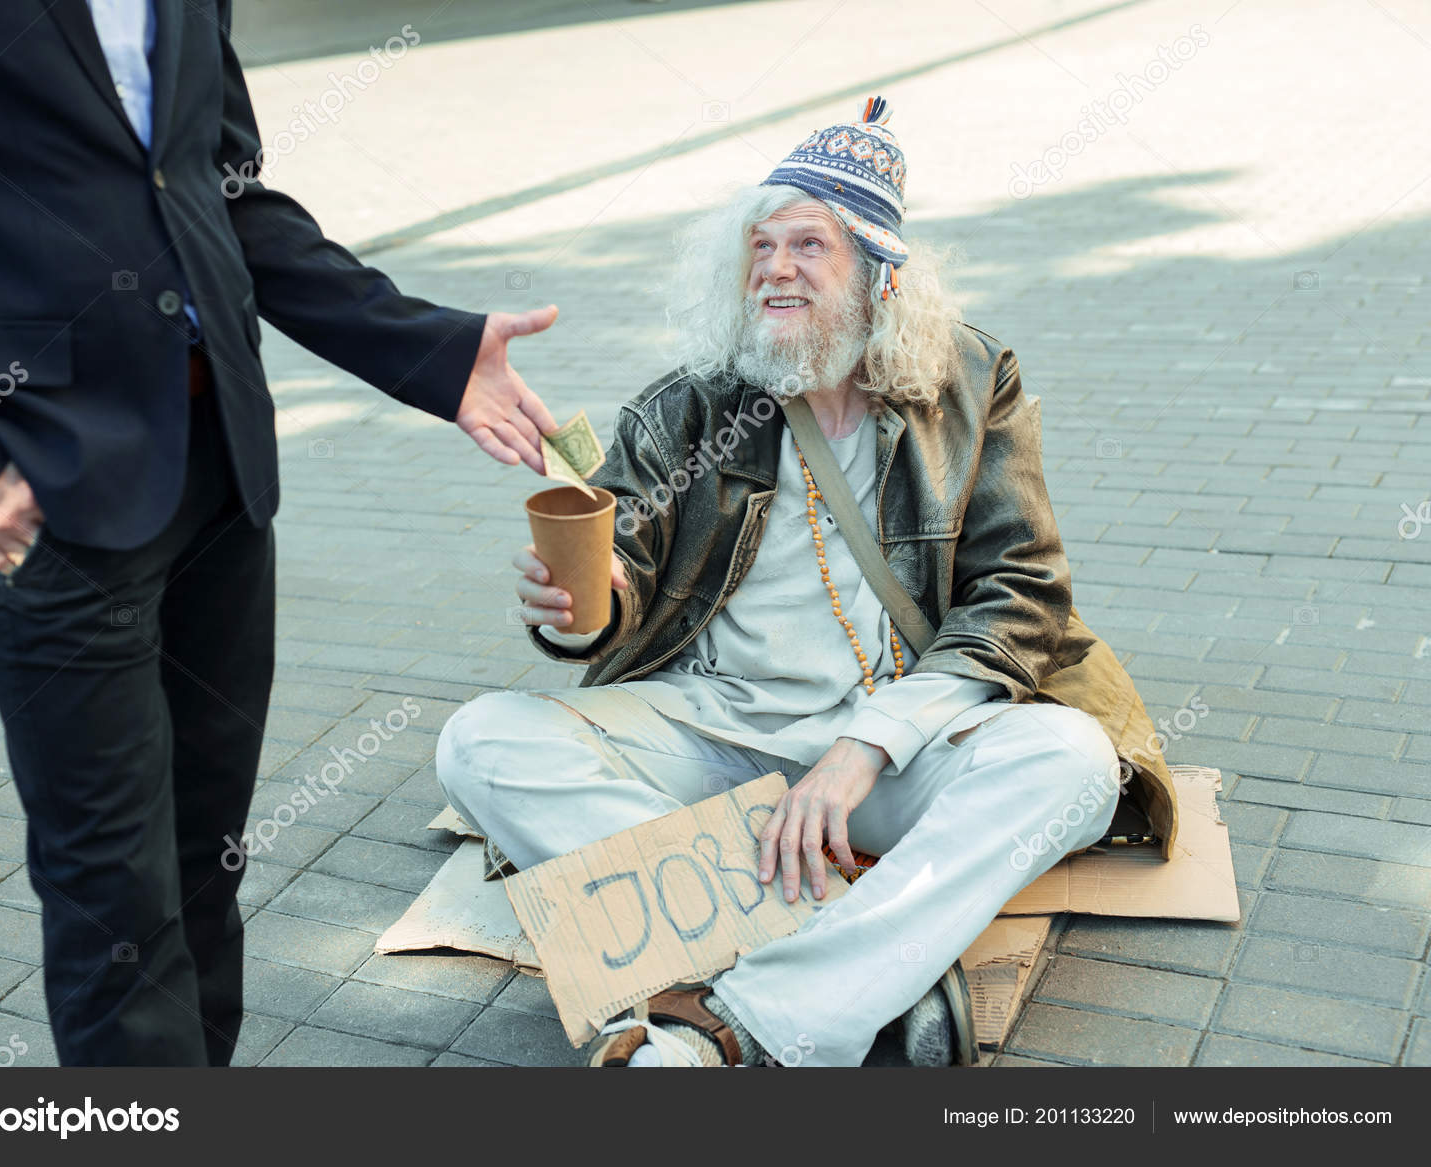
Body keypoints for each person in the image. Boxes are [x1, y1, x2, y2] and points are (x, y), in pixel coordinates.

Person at [0, 0, 557, 1065]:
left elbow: (223, 190)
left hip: (219, 466)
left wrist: (431, 352)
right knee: (116, 905)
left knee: (201, 865)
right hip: (36, 491)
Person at [435, 97, 1174, 1067]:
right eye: (760, 246)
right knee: (482, 742)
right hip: (715, 732)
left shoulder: (966, 378)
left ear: (878, 273)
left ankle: (731, 1019)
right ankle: (855, 973)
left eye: (808, 246)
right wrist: (581, 612)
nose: (775, 269)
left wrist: (865, 746)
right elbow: (619, 590)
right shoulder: (686, 405)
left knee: (1069, 760)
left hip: (896, 737)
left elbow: (1023, 589)